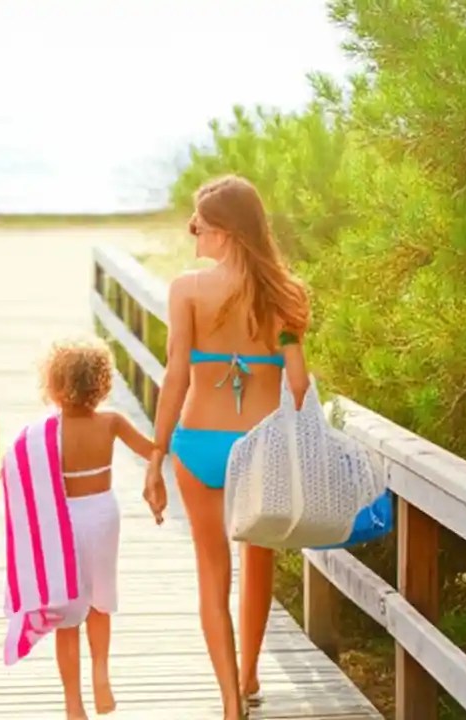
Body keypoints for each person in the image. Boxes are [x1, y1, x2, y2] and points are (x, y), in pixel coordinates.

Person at [143, 175, 310, 720]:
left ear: (226, 232)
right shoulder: (288, 294)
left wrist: (156, 453)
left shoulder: (187, 290)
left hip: (197, 446)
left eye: (199, 226)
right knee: (256, 563)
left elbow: (174, 377)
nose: (195, 237)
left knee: (211, 573)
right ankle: (250, 672)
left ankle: (230, 703)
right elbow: (301, 383)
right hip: (258, 447)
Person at [38, 337, 153, 720]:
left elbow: (23, 479)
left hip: (64, 520)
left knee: (66, 616)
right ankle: (101, 672)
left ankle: (74, 703)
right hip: (103, 516)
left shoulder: (46, 432)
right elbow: (153, 450)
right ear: (102, 384)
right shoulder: (112, 422)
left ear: (53, 385)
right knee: (99, 603)